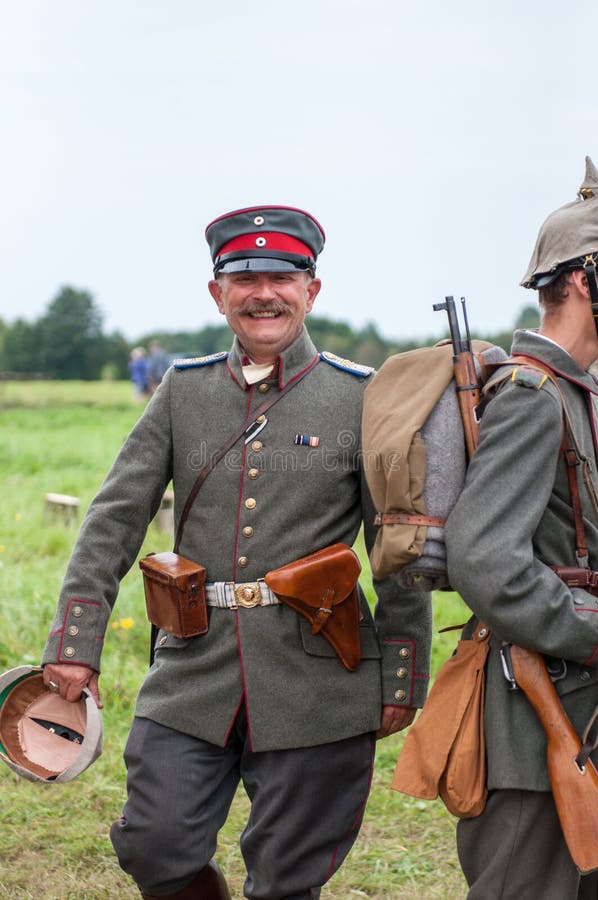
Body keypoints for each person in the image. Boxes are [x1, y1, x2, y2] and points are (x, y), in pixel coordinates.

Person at [41, 205, 432, 900]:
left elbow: (393, 543)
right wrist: (76, 640)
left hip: (320, 676)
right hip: (195, 668)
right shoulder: (182, 391)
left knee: (287, 881)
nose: (263, 292)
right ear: (217, 293)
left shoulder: (360, 398)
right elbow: (113, 519)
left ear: (312, 290)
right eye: (244, 276)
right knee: (155, 844)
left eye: (283, 276)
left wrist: (401, 671)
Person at [445, 157, 598, 900]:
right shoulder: (534, 397)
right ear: (580, 279)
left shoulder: (579, 392)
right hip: (536, 720)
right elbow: (485, 561)